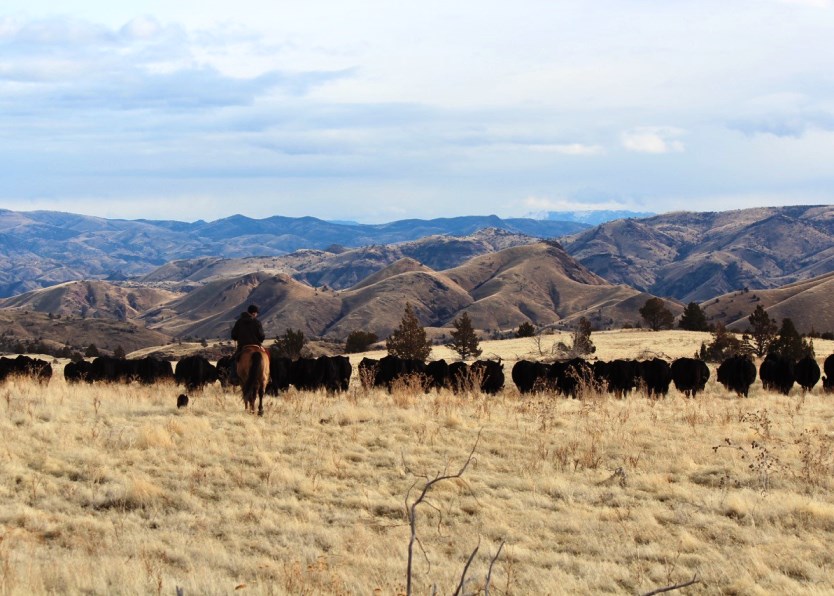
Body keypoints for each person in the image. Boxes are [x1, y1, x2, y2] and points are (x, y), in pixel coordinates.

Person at [229, 304, 265, 382]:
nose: (256, 315)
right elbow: (261, 336)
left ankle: (234, 377)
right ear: (254, 313)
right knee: (267, 357)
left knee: (233, 360)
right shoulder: (257, 322)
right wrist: (260, 340)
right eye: (256, 313)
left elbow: (234, 335)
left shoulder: (239, 322)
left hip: (242, 347)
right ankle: (269, 377)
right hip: (256, 346)